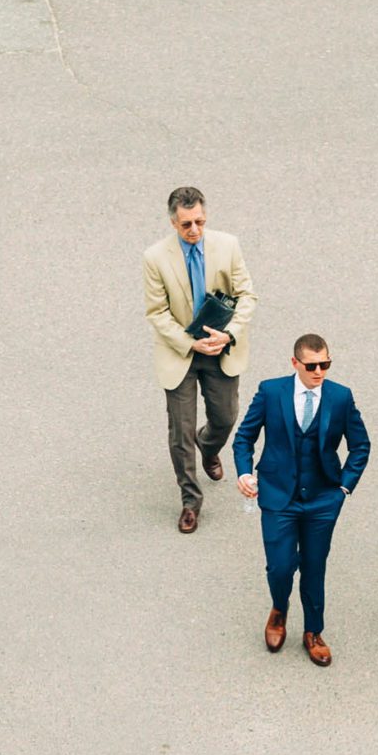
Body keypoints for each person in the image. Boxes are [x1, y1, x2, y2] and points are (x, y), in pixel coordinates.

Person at [232, 334, 370, 667]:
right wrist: (244, 473)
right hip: (279, 495)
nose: (319, 371)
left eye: (325, 364)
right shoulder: (271, 391)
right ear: (295, 363)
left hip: (323, 498)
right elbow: (244, 438)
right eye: (312, 366)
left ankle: (313, 631)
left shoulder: (340, 397)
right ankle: (279, 608)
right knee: (279, 567)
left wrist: (344, 489)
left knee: (314, 566)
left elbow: (360, 446)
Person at [144, 186, 258, 533]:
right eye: (186, 224)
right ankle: (190, 501)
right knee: (181, 431)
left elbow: (247, 295)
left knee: (225, 417)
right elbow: (157, 312)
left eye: (199, 222)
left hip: (221, 346)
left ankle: (208, 446)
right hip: (181, 352)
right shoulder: (155, 257)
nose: (194, 230)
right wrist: (189, 344)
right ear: (172, 222)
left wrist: (229, 334)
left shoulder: (228, 245)